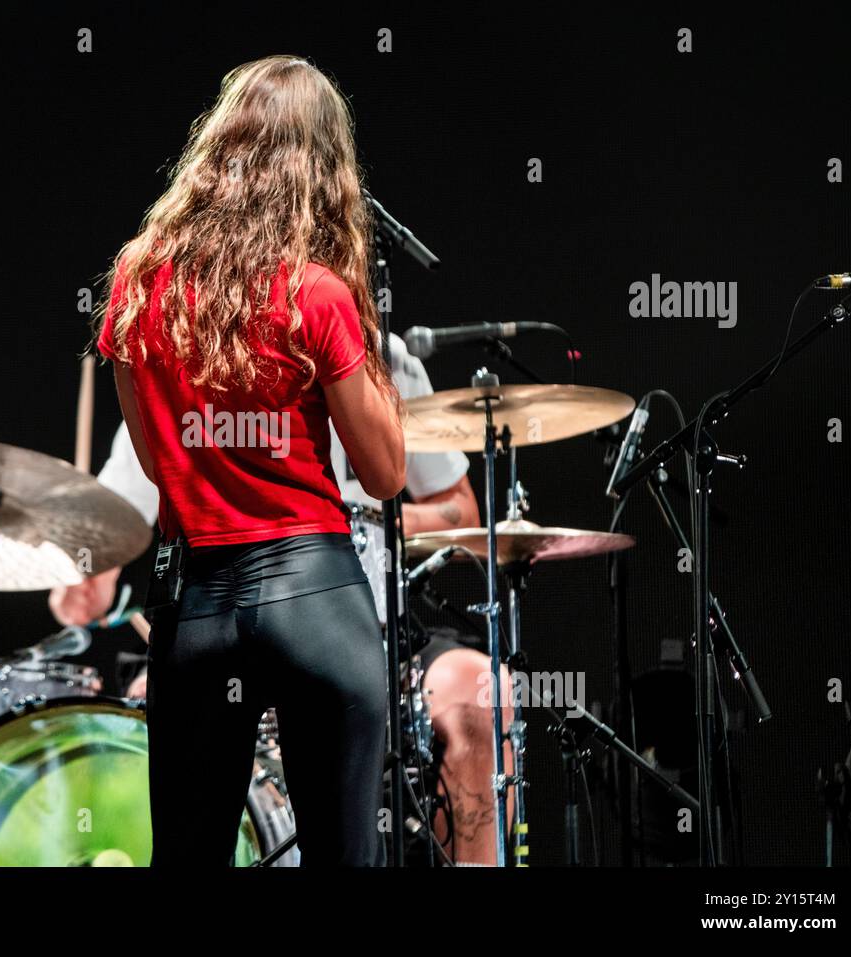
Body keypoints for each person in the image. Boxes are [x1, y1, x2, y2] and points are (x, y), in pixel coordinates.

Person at [90, 55, 404, 866]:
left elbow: (161, 465)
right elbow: (386, 473)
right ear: (326, 167)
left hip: (198, 602)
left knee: (189, 855)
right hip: (314, 598)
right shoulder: (320, 293)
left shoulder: (137, 280)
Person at [57, 329, 513, 865]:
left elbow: (459, 511)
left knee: (485, 691)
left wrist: (356, 514)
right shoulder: (186, 348)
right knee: (146, 702)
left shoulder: (378, 354)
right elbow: (107, 533)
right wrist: (84, 575)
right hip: (226, 616)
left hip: (372, 628)